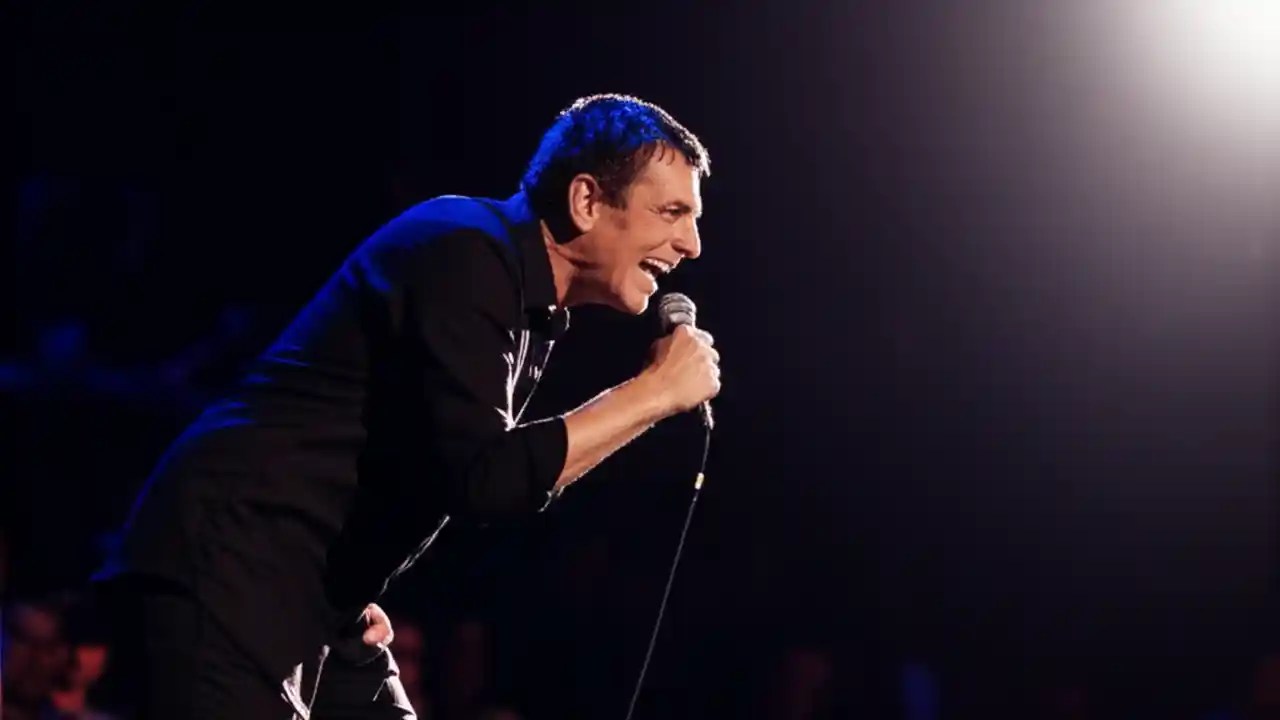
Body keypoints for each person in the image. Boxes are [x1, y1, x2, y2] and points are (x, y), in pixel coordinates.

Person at [93, 93, 718, 719]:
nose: (690, 243)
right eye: (670, 212)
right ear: (587, 201)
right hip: (227, 575)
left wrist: (353, 574)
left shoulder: (524, 301)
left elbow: (425, 460)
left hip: (314, 600)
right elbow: (485, 479)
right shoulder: (467, 251)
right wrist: (654, 392)